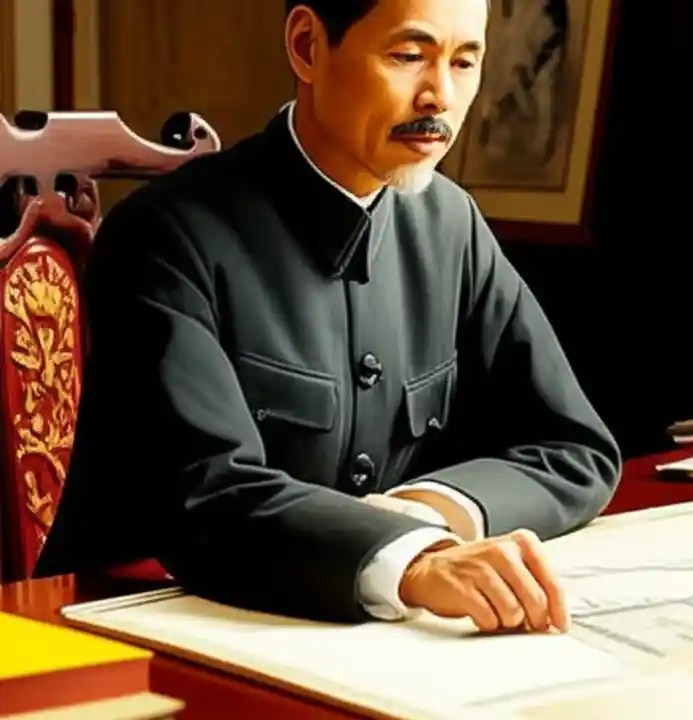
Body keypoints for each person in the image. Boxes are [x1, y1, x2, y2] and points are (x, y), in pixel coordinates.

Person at [33, 0, 621, 634]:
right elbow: (206, 494)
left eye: (464, 62)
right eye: (409, 56)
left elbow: (574, 449)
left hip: (352, 638)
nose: (441, 96)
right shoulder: (163, 236)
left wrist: (426, 512)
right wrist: (412, 560)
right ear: (308, 46)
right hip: (130, 634)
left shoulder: (452, 225)